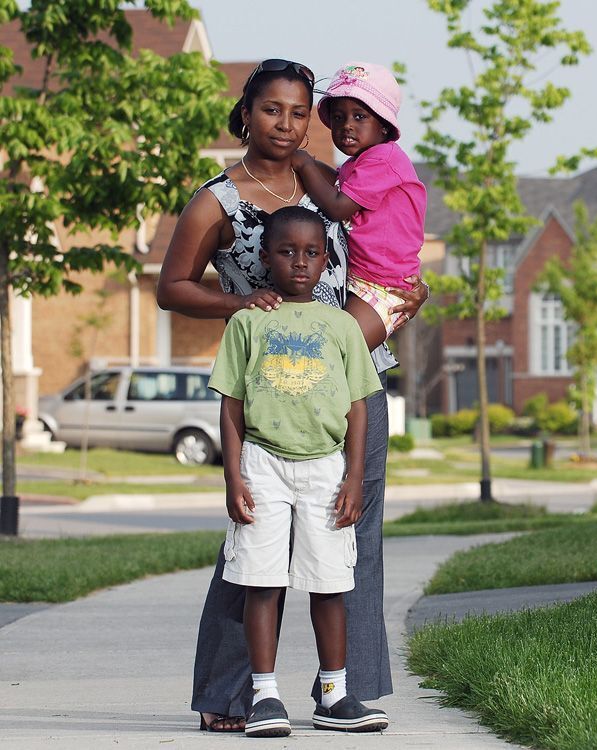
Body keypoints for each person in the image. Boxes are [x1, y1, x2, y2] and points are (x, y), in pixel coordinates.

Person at [156, 58, 428, 733]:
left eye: (301, 112)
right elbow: (171, 287)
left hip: (353, 384)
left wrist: (396, 306)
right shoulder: (216, 200)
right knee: (254, 547)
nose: (288, 123)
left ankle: (346, 691)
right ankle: (228, 693)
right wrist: (242, 303)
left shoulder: (329, 185)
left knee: (351, 536)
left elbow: (378, 257)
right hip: (271, 400)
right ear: (245, 112)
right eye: (273, 109)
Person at [210, 206, 388, 737]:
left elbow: (358, 407)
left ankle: (334, 695)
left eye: (312, 253)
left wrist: (354, 477)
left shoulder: (342, 326)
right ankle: (264, 695)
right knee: (262, 582)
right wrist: (233, 477)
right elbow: (232, 405)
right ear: (266, 258)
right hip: (263, 465)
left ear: (327, 258)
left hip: (326, 470)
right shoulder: (248, 321)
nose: (300, 263)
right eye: (287, 252)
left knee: (329, 583)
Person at [292, 61, 426, 351]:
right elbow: (334, 181)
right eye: (338, 117)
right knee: (335, 355)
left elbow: (338, 206)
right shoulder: (359, 163)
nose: (346, 125)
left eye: (359, 116)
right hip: (358, 279)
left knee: (338, 349)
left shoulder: (384, 159)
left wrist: (303, 162)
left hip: (384, 287)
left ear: (384, 126)